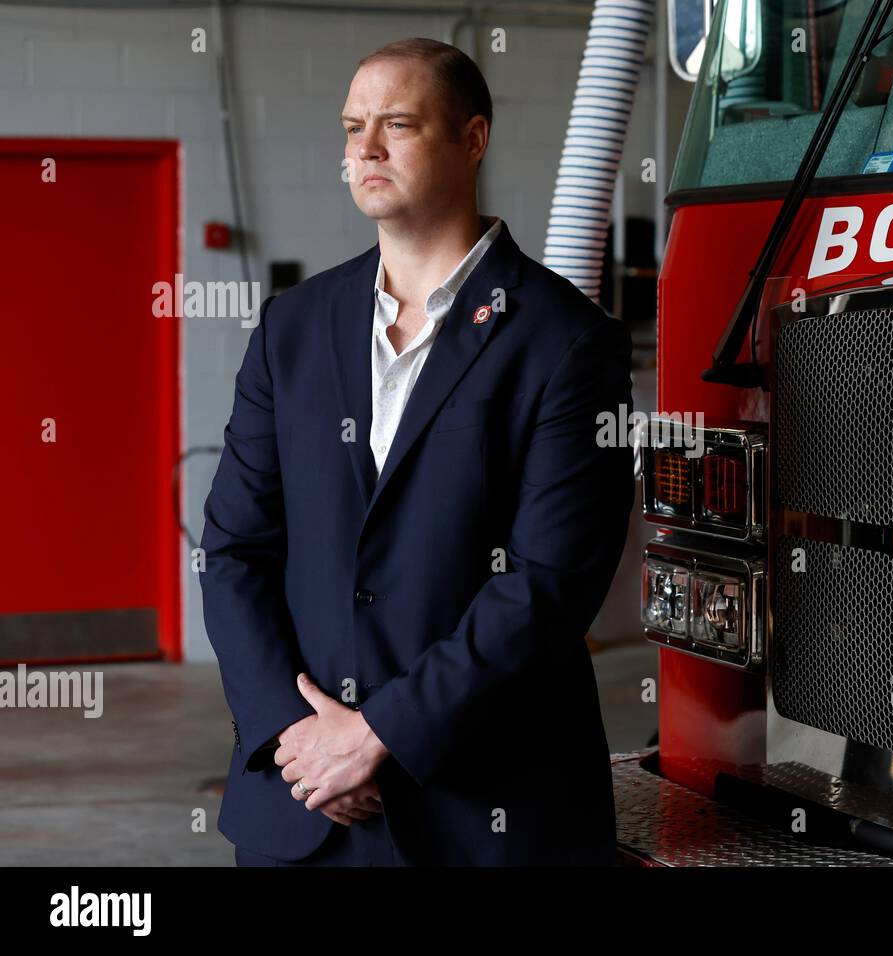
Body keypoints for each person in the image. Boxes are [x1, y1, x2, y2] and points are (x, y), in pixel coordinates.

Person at [199, 37, 633, 866]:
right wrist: (300, 739)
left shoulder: (567, 342)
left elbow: (547, 585)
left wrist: (379, 736)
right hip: (308, 805)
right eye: (352, 126)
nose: (364, 148)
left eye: (397, 124)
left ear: (474, 139)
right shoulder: (293, 329)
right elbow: (234, 552)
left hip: (483, 812)